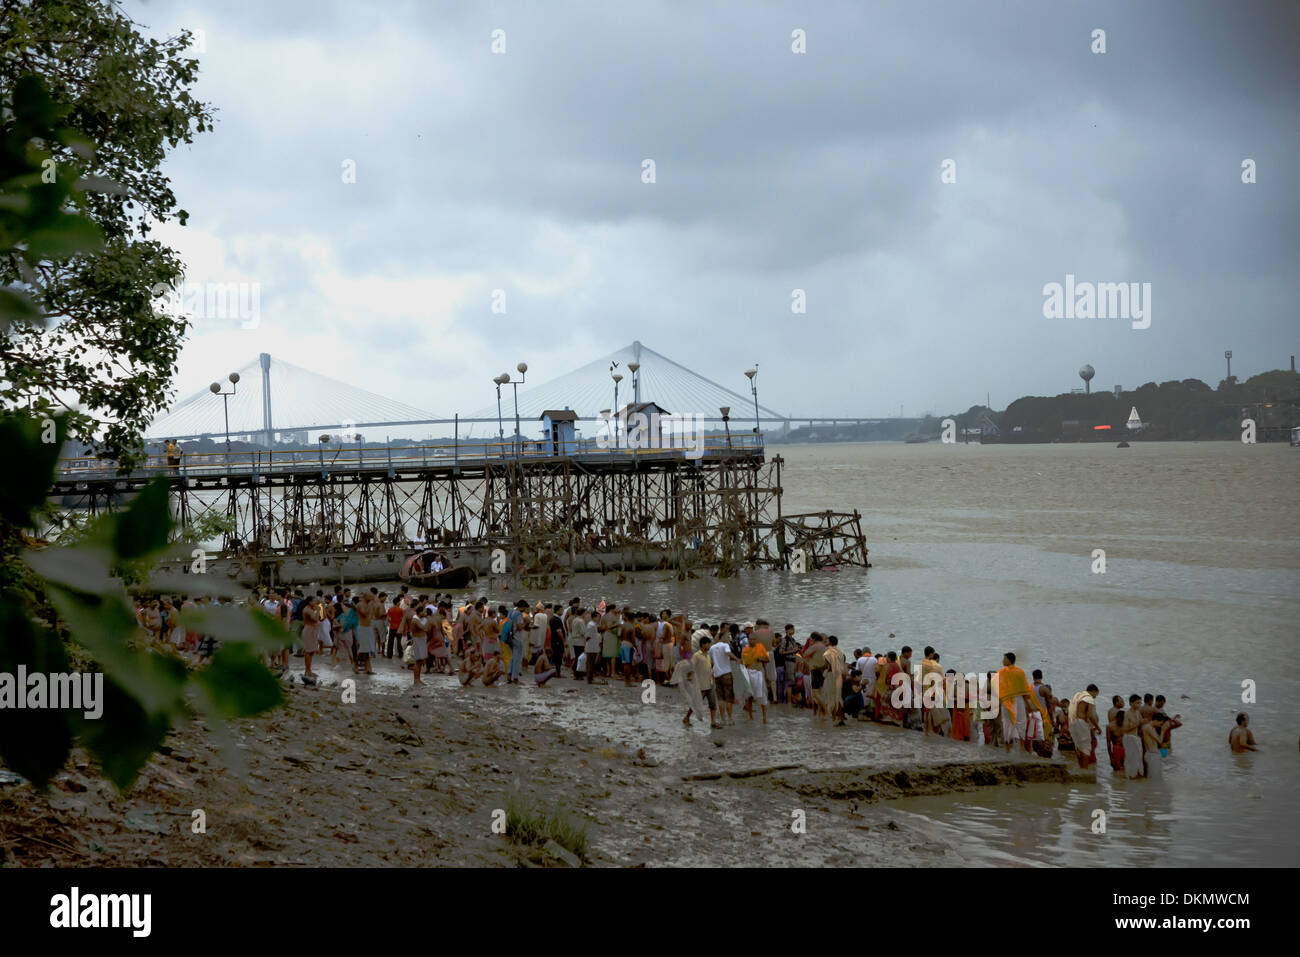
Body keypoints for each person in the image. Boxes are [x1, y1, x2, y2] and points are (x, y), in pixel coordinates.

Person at [708, 630, 738, 725]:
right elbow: (728, 653)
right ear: (722, 637)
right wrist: (737, 659)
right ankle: (729, 719)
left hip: (717, 675)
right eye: (727, 636)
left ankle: (722, 719)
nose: (729, 639)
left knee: (720, 698)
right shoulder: (725, 645)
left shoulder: (712, 647)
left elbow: (711, 662)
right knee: (729, 698)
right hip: (726, 674)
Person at [1069, 684, 1101, 768]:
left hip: (1074, 722)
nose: (1095, 697)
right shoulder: (1089, 699)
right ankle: (1084, 769)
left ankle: (1081, 768)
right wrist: (1098, 727)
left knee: (1079, 747)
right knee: (1086, 749)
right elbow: (1090, 715)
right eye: (1096, 695)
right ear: (1094, 691)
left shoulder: (1079, 696)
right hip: (1082, 723)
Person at [692, 637, 721, 728]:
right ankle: (687, 717)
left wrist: (713, 678)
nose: (709, 646)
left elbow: (710, 669)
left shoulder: (708, 656)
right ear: (703, 644)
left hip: (710, 683)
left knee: (713, 704)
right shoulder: (697, 655)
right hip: (700, 685)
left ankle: (713, 722)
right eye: (708, 644)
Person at [741, 638, 770, 724]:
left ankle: (764, 718)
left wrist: (760, 660)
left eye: (754, 639)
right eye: (750, 639)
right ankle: (750, 717)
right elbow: (743, 665)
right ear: (748, 640)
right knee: (749, 696)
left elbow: (768, 660)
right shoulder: (745, 650)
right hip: (749, 674)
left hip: (759, 673)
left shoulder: (760, 647)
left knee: (763, 697)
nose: (752, 641)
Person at [1121, 694, 1145, 778]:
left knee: (1138, 758)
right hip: (1129, 738)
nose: (1139, 705)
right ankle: (1130, 776)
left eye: (1140, 703)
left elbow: (1142, 723)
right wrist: (1138, 723)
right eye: (1137, 703)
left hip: (1136, 737)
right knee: (1130, 758)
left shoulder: (1138, 713)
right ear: (1131, 703)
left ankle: (1135, 775)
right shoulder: (1127, 714)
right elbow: (1125, 729)